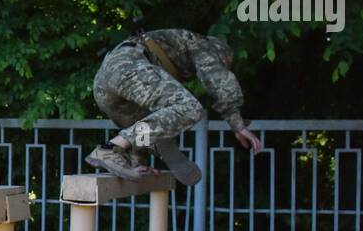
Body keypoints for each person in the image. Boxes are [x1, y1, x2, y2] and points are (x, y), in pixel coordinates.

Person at [85, 28, 263, 182]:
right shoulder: (205, 46)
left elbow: (141, 125)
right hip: (127, 65)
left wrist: (137, 165)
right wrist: (237, 124)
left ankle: (133, 158)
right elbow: (219, 80)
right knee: (189, 108)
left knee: (150, 123)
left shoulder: (171, 49)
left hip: (103, 85)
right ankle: (109, 149)